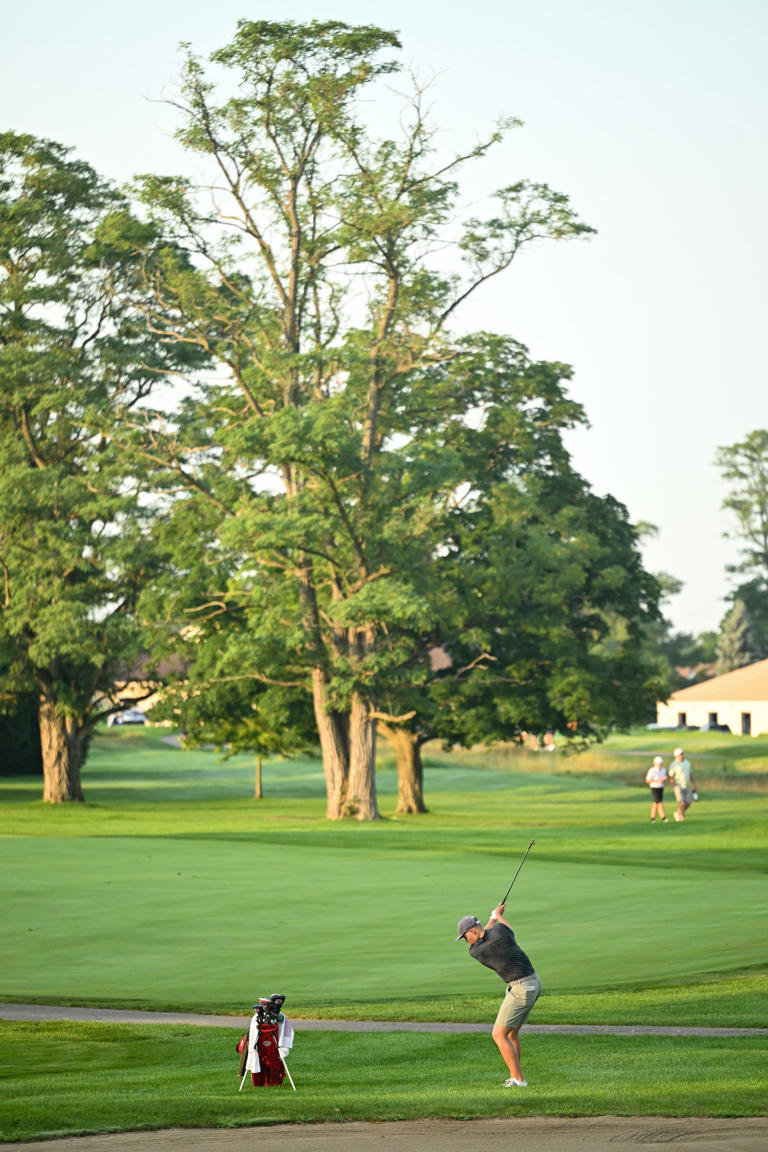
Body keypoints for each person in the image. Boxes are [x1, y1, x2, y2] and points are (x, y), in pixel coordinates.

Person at [456, 903, 541, 1087]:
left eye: (464, 937)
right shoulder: (500, 933)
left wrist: (495, 916)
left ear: (472, 931)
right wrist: (497, 916)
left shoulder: (476, 951)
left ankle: (518, 1080)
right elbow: (505, 930)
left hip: (521, 989)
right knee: (511, 1035)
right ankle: (516, 1076)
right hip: (534, 983)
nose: (466, 941)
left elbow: (486, 934)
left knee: (498, 1034)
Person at [668, 747, 698, 822]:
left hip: (686, 785)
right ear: (676, 756)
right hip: (678, 785)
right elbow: (671, 775)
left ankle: (678, 813)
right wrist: (674, 784)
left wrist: (694, 783)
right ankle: (681, 817)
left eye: (682, 754)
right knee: (682, 802)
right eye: (680, 754)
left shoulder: (687, 763)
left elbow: (690, 774)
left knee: (688, 803)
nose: (682, 755)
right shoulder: (674, 764)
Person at [645, 755, 668, 822]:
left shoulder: (663, 769)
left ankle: (653, 818)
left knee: (656, 803)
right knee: (659, 802)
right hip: (654, 787)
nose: (660, 765)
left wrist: (664, 779)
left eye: (661, 764)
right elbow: (647, 780)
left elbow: (664, 777)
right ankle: (663, 818)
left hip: (660, 787)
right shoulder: (652, 770)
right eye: (658, 764)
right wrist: (657, 780)